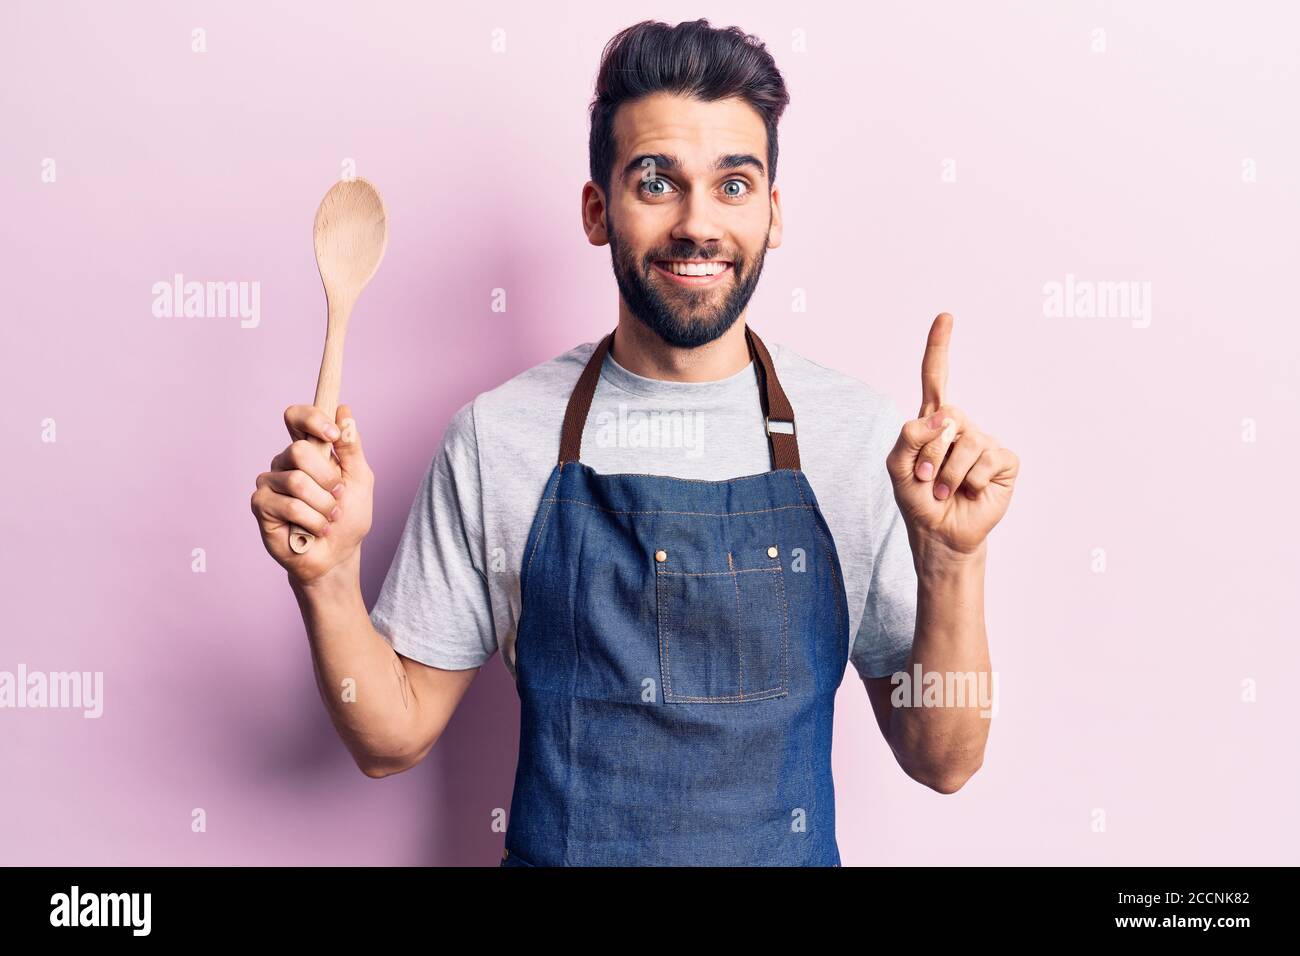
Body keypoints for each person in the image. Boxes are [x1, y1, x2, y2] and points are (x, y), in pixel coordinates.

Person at [250, 19, 1019, 867]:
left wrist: (953, 563)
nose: (698, 224)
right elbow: (388, 738)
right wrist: (324, 579)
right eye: (657, 182)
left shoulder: (862, 439)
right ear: (597, 209)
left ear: (773, 213)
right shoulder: (497, 436)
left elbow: (944, 760)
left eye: (734, 185)